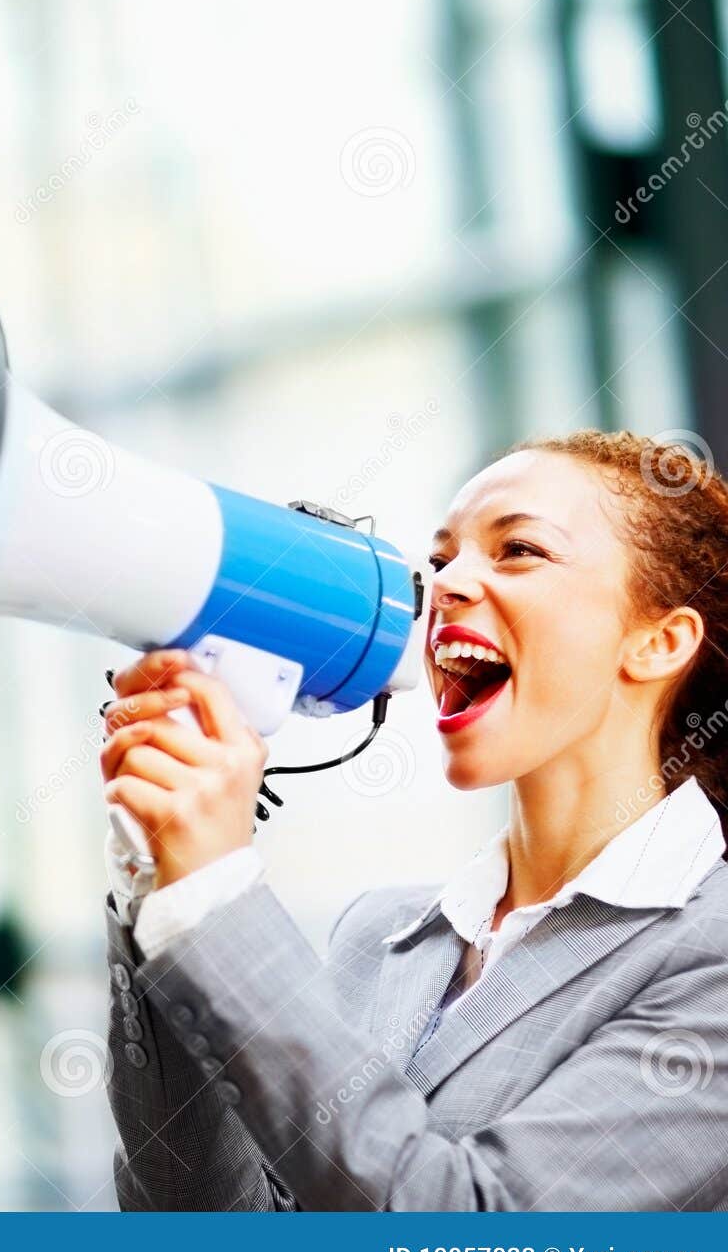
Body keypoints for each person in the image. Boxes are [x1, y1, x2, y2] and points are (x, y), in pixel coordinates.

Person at [99, 429, 728, 1211]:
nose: (443, 586)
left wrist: (221, 894)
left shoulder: (712, 960)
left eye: (519, 550)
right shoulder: (382, 933)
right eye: (439, 562)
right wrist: (163, 882)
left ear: (660, 640)